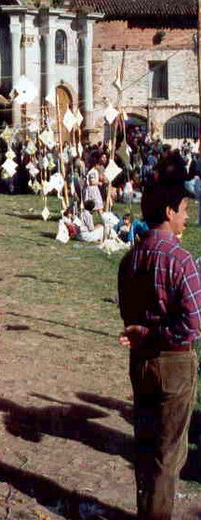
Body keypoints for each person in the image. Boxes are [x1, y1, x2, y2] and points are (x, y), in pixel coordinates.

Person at [118, 180, 201, 520]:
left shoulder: (130, 258)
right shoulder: (181, 260)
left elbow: (128, 316)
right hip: (175, 363)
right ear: (169, 211)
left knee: (146, 444)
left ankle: (146, 511)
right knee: (168, 455)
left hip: (141, 361)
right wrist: (156, 334)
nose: (187, 216)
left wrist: (145, 334)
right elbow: (192, 325)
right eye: (184, 209)